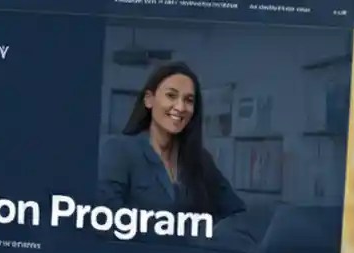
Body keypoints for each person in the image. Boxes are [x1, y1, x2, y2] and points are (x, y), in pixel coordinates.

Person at [97, 61, 246, 222]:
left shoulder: (200, 160)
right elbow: (106, 219)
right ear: (149, 100)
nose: (180, 107)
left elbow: (237, 213)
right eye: (171, 96)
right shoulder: (120, 150)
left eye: (189, 100)